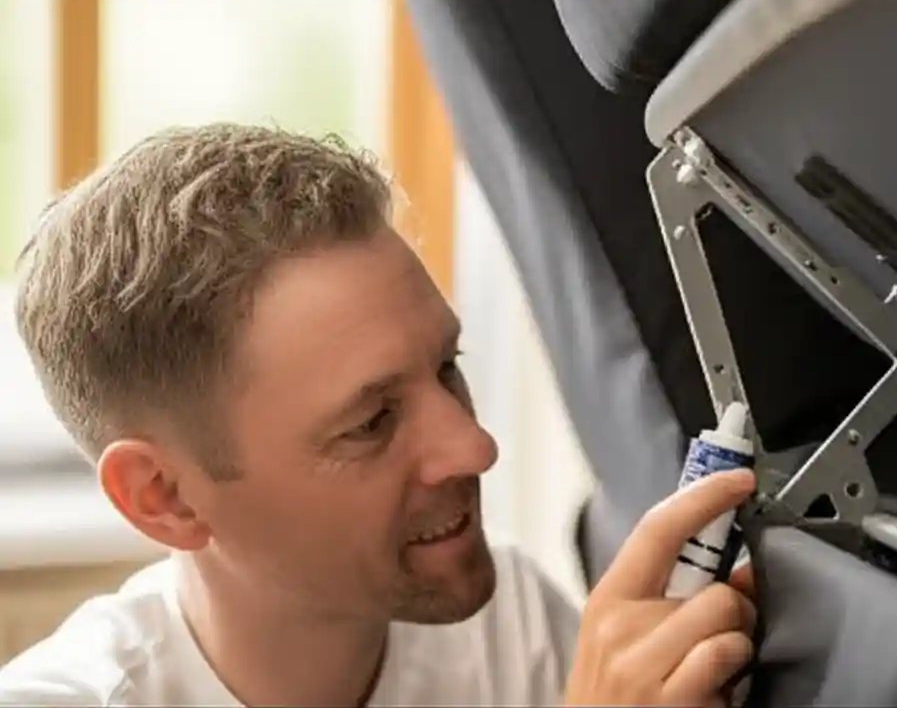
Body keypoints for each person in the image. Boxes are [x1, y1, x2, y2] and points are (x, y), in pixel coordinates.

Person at [0, 124, 758, 707]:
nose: (474, 447)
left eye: (447, 368)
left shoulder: (508, 630)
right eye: (370, 423)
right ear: (165, 497)